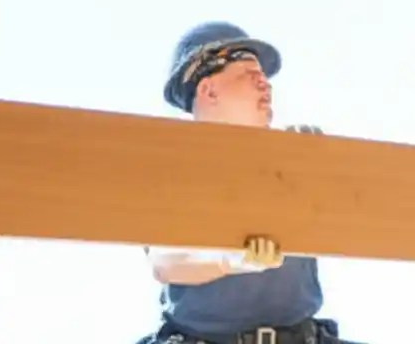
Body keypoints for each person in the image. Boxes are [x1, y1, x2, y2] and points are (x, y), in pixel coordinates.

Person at [135, 21, 347, 344]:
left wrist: (318, 172)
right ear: (208, 90)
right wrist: (231, 260)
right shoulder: (172, 173)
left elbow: (354, 219)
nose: (266, 85)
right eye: (250, 74)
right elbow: (166, 262)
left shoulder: (289, 165)